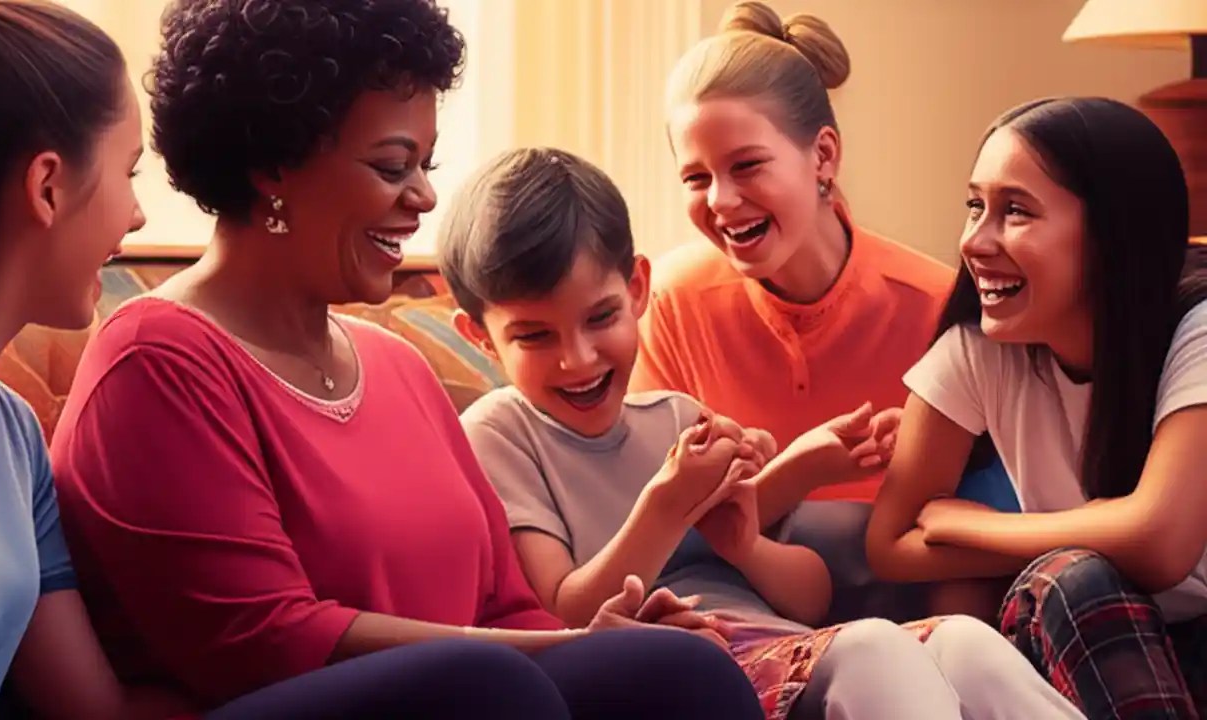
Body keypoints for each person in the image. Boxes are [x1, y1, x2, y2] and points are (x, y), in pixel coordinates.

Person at [49, 1, 765, 718]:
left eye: (427, 164)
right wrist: (549, 650)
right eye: (393, 166)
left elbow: (507, 607)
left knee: (678, 669)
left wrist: (589, 642)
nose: (424, 196)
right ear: (272, 165)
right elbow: (265, 642)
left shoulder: (397, 365)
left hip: (479, 694)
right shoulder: (158, 360)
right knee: (488, 686)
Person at [441, 146, 1084, 720]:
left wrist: (748, 543)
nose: (577, 359)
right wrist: (666, 505)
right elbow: (565, 611)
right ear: (480, 338)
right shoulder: (500, 433)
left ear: (637, 289)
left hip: (782, 642)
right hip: (696, 666)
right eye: (534, 336)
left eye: (600, 317)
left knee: (965, 641)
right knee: (872, 648)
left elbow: (810, 596)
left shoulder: (677, 418)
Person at [865, 96, 1207, 719]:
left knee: (1073, 573)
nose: (975, 241)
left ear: (1111, 233)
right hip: (1083, 631)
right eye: (975, 206)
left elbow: (1162, 544)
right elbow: (889, 542)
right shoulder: (979, 349)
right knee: (1072, 580)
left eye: (1016, 211)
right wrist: (1101, 531)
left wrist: (965, 523)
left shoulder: (1197, 329)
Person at [0, 1, 192, 717]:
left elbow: (97, 712)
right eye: (130, 172)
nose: (137, 215)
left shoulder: (16, 436)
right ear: (48, 186)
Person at [633, 0, 955, 505]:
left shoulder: (940, 308)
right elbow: (660, 523)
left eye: (746, 166)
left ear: (823, 155)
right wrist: (795, 474)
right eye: (696, 178)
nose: (719, 200)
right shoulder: (670, 304)